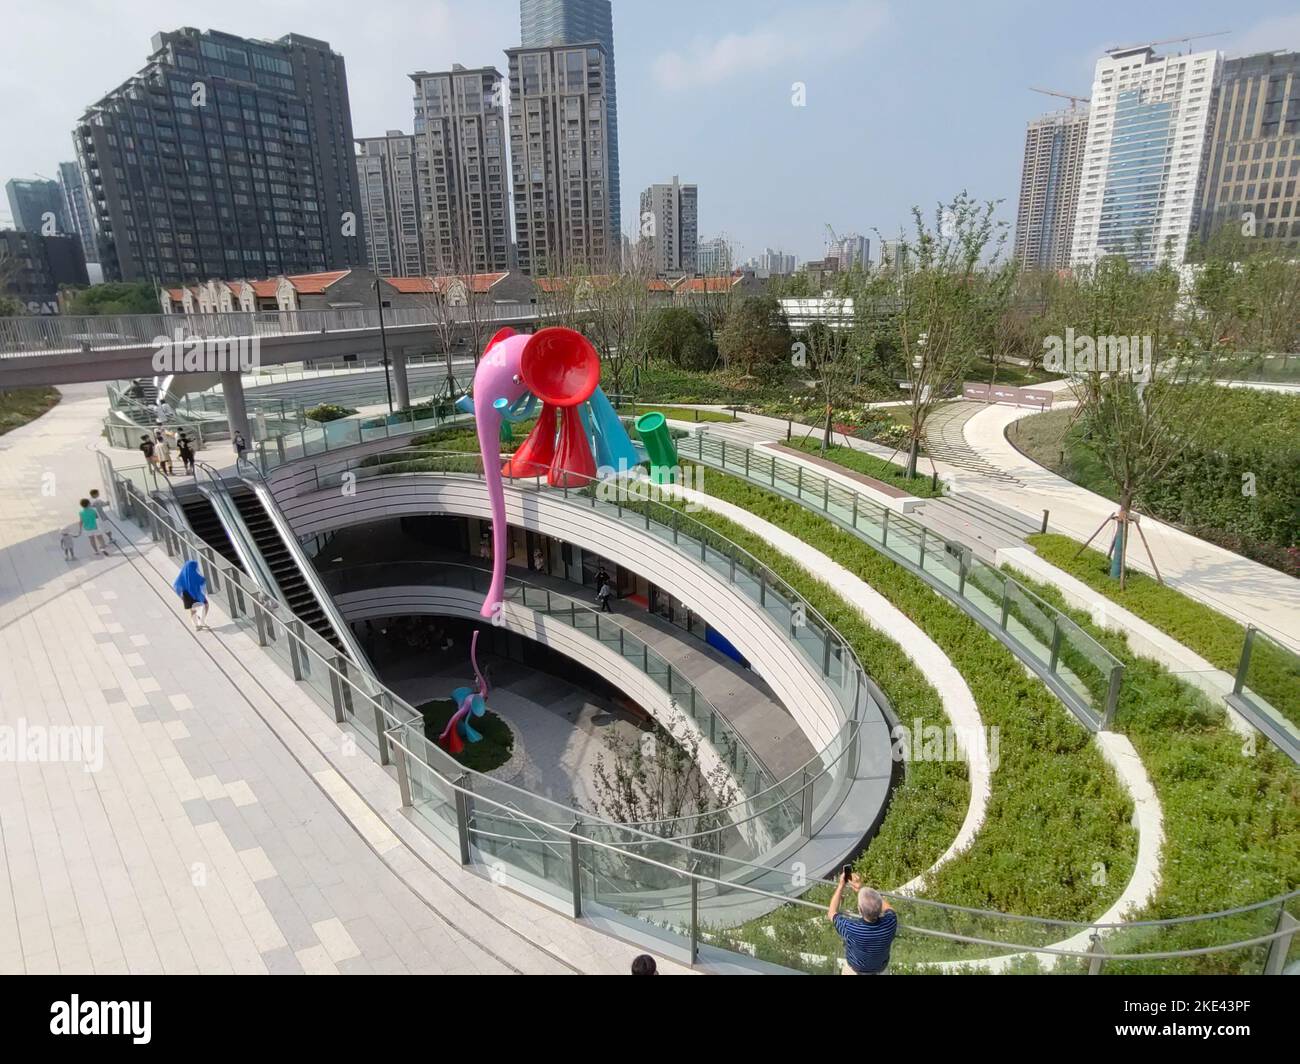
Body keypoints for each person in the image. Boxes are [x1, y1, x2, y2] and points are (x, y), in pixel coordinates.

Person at [827, 868, 897, 975]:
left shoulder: (850, 928)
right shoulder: (890, 923)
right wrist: (863, 889)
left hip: (855, 971)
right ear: (880, 908)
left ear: (860, 910)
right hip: (880, 970)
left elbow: (831, 913)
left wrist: (841, 885)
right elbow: (889, 908)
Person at [173, 559, 210, 631]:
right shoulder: (195, 574)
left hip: (186, 595)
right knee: (206, 605)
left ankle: (196, 626)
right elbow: (202, 581)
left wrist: (181, 595)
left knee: (193, 610)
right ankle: (201, 621)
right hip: (196, 594)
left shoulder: (182, 575)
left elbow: (176, 585)